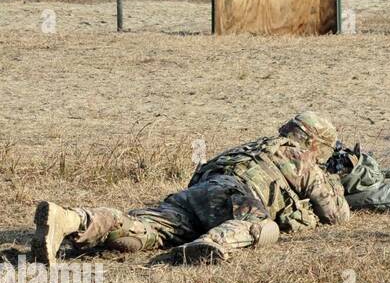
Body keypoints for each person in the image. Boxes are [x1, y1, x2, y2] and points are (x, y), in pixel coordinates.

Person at [30, 111, 348, 264]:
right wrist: (338, 180)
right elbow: (335, 215)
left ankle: (71, 220)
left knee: (140, 229)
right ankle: (211, 244)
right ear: (314, 143)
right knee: (263, 226)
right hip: (233, 195)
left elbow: (201, 174)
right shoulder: (301, 158)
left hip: (196, 195)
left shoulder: (253, 146)